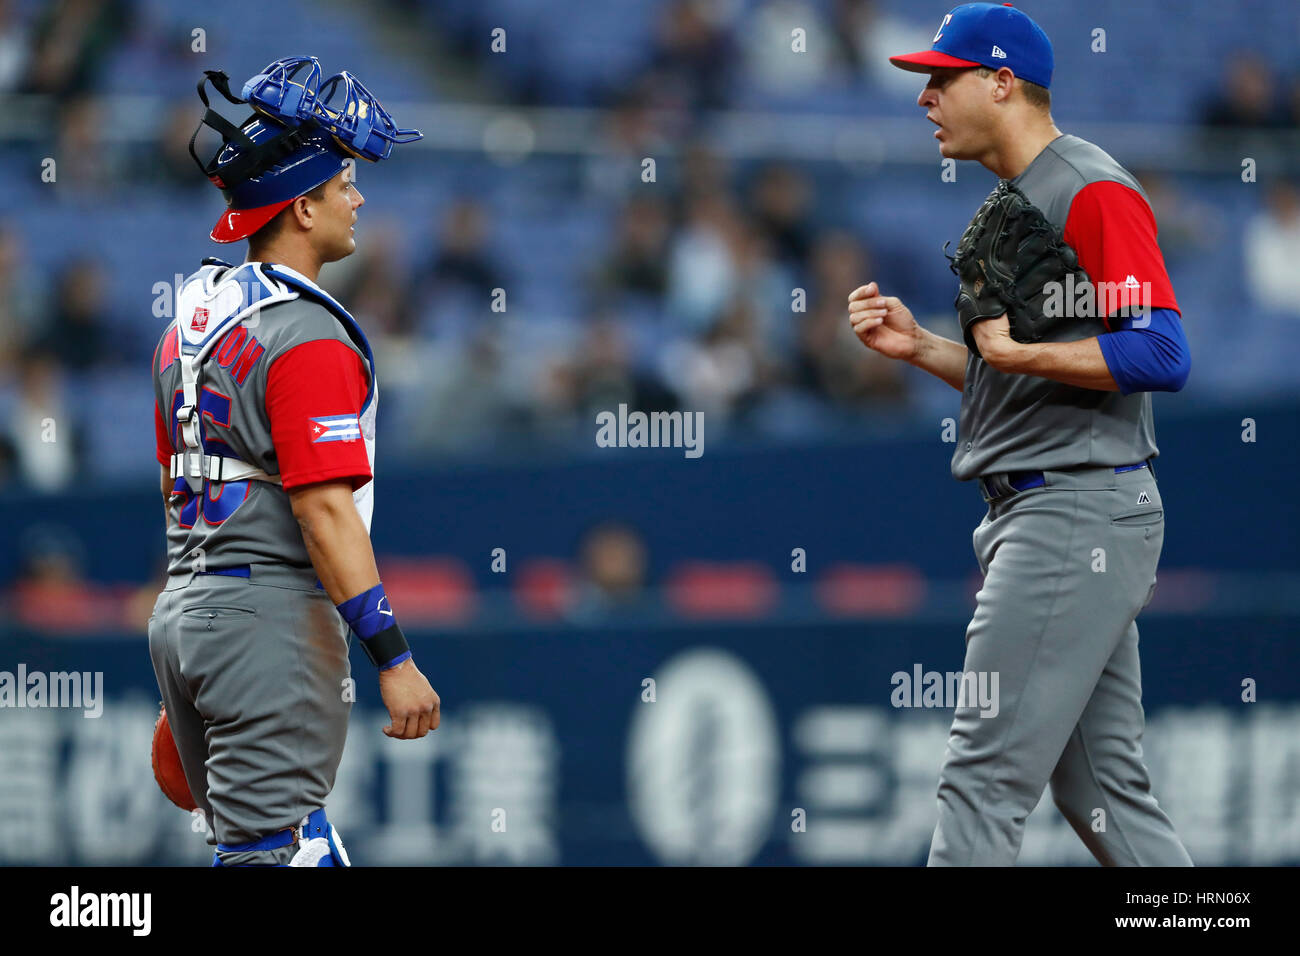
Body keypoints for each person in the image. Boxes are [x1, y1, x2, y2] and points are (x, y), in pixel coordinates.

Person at [847, 3, 1192, 866]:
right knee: (1104, 792)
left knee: (980, 782)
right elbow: (1023, 377)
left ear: (1002, 83)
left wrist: (1016, 349)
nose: (925, 96)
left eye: (942, 77)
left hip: (1071, 510)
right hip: (1061, 505)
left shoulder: (1091, 189)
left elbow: (1163, 349)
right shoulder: (1017, 199)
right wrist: (926, 347)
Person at [148, 56, 437, 867]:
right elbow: (322, 506)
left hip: (192, 608)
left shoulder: (188, 320)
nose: (359, 198)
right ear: (302, 206)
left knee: (297, 846)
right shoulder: (304, 330)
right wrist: (394, 656)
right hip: (265, 617)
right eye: (344, 183)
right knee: (269, 857)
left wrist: (198, 655)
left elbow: (184, 486)